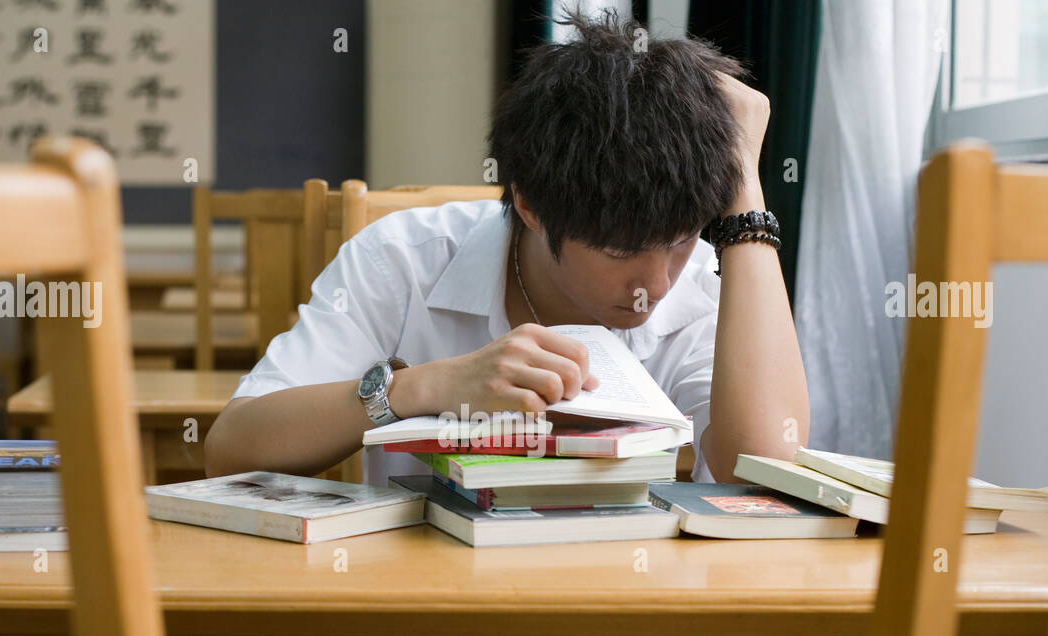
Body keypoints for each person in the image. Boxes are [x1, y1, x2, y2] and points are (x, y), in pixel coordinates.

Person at [205, 8, 809, 485]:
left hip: (632, 609)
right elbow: (233, 451)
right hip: (429, 609)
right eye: (621, 254)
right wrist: (425, 388)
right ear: (530, 206)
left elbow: (766, 467)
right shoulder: (402, 258)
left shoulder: (708, 287)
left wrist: (745, 193)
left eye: (680, 241)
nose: (655, 285)